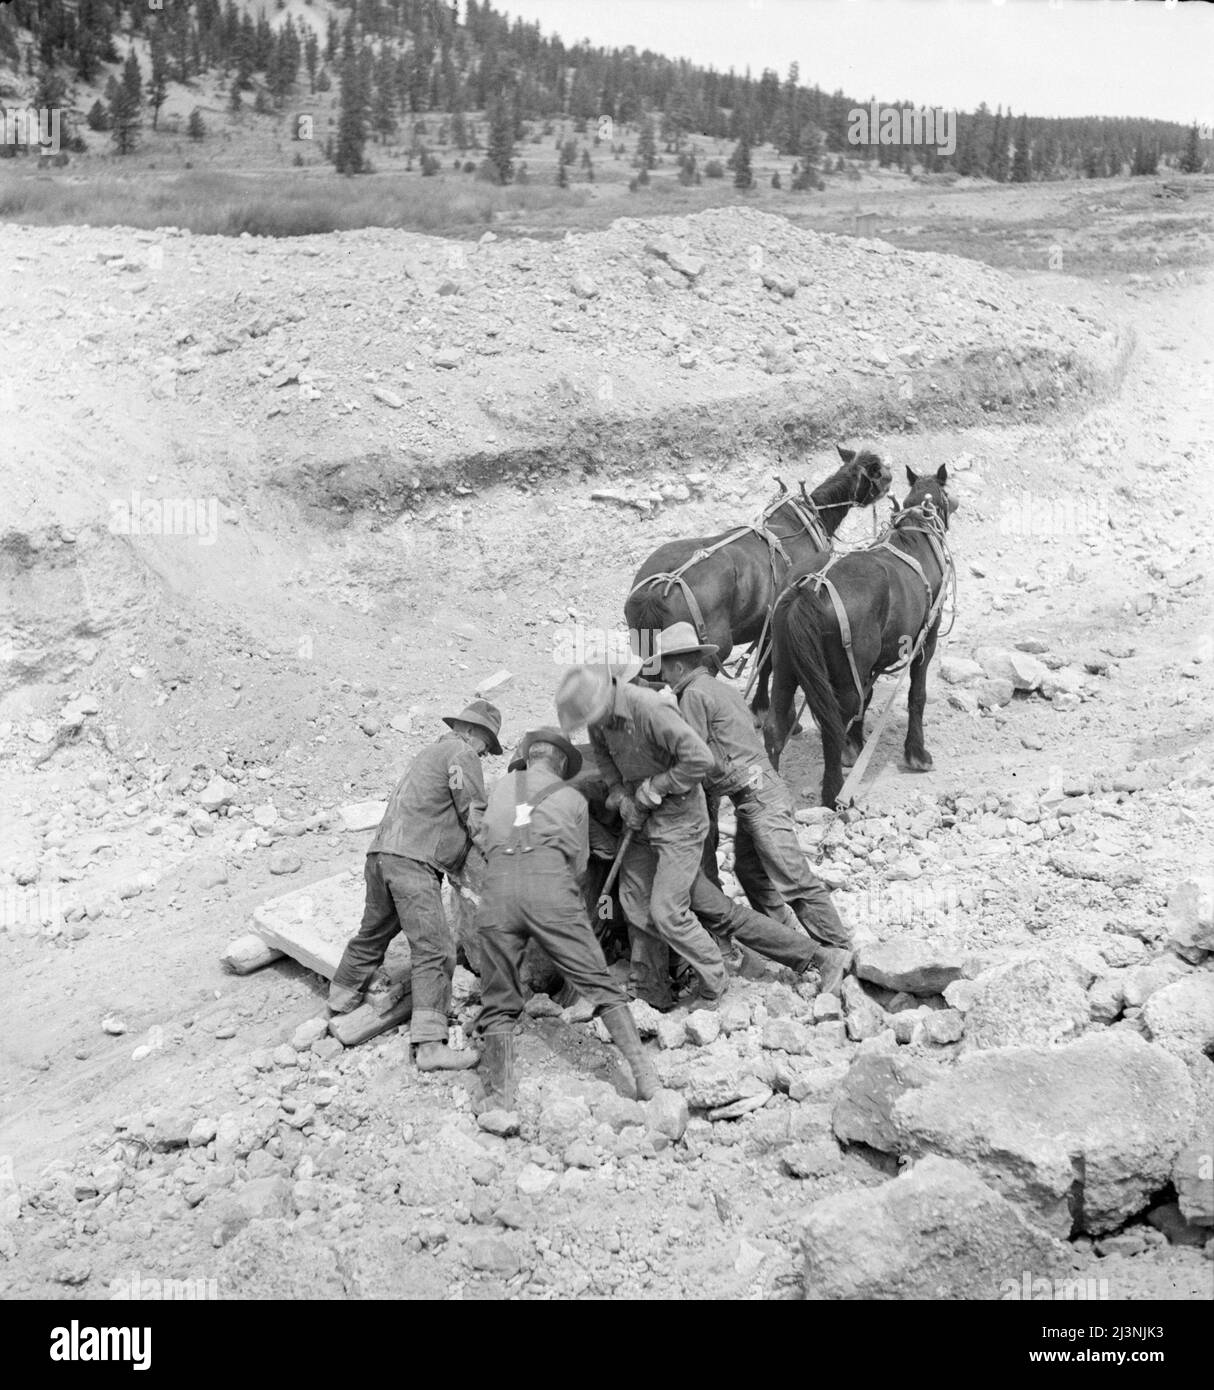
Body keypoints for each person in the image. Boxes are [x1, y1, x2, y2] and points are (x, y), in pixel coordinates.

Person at [655, 623, 854, 993]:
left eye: (664, 668)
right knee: (750, 871)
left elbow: (695, 758)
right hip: (758, 793)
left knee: (794, 880)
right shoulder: (718, 688)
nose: (663, 677)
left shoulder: (692, 696)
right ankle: (791, 941)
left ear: (678, 666)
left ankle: (839, 953)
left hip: (756, 797)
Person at [474, 728, 658, 1109]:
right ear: (560, 764)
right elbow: (579, 866)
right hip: (551, 888)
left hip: (497, 889)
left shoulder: (501, 787)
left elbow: (486, 835)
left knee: (499, 996)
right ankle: (644, 1076)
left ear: (529, 758)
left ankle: (500, 1097)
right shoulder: (572, 798)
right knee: (597, 980)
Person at [328, 699, 503, 1071]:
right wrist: (497, 853)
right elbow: (473, 810)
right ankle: (429, 1046)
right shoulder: (461, 754)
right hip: (413, 862)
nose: (485, 754)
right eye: (487, 744)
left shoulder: (428, 754)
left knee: (374, 931)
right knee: (435, 950)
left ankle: (340, 995)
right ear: (472, 731)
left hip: (382, 855)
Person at [555, 660, 728, 1012]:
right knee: (634, 902)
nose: (593, 725)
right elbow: (605, 761)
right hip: (639, 820)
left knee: (667, 911)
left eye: (593, 717)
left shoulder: (650, 708)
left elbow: (700, 759)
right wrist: (621, 796)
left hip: (680, 820)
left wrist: (656, 788)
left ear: (606, 697)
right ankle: (651, 989)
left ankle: (715, 980)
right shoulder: (599, 721)